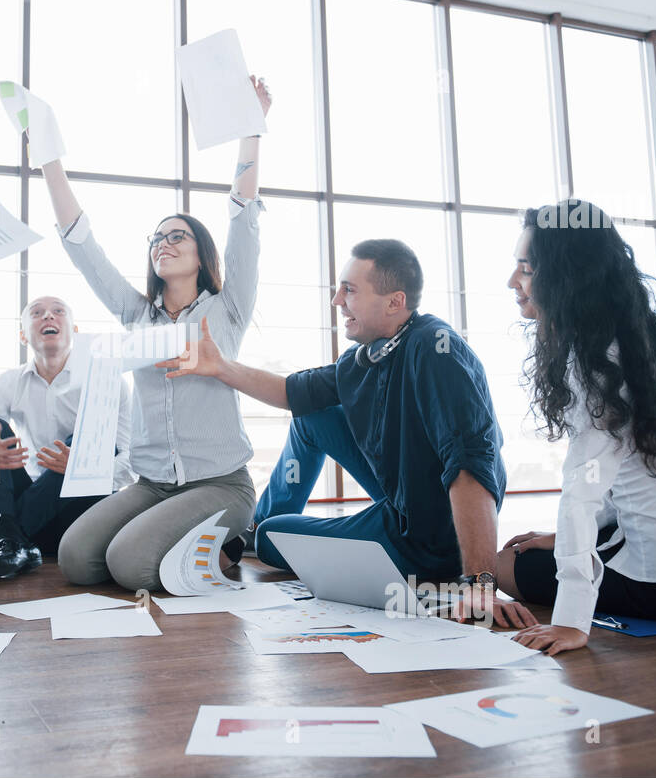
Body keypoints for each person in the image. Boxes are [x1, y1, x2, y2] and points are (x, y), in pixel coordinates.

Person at [159, 239, 536, 628]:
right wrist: (220, 366)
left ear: (394, 302)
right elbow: (292, 392)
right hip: (404, 497)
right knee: (311, 418)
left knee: (274, 536)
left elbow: (470, 465)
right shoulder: (364, 357)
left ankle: (261, 534)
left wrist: (479, 583)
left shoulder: (436, 350)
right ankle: (249, 534)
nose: (337, 300)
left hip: (431, 538)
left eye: (350, 290)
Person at [40, 76, 272, 592]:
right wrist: (49, 159)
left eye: (177, 235)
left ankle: (229, 543)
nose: (163, 243)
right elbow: (83, 248)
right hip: (153, 485)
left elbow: (243, 220)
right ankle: (184, 538)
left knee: (129, 567)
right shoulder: (136, 317)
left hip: (219, 484)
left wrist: (251, 130)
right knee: (75, 559)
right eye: (157, 238)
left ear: (199, 251)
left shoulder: (226, 310)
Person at [497, 200, 656, 655]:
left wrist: (572, 621)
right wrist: (569, 541)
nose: (512, 283)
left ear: (564, 276)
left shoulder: (590, 363)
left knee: (504, 564)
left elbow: (583, 489)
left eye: (526, 269)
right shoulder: (638, 338)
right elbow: (632, 473)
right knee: (544, 546)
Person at [0, 294, 132, 580]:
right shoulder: (10, 381)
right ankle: (11, 542)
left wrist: (83, 468)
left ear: (75, 333)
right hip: (32, 509)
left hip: (78, 513)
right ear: (22, 335)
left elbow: (133, 461)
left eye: (58, 311)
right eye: (37, 313)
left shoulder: (106, 380)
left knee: (80, 442)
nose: (48, 316)